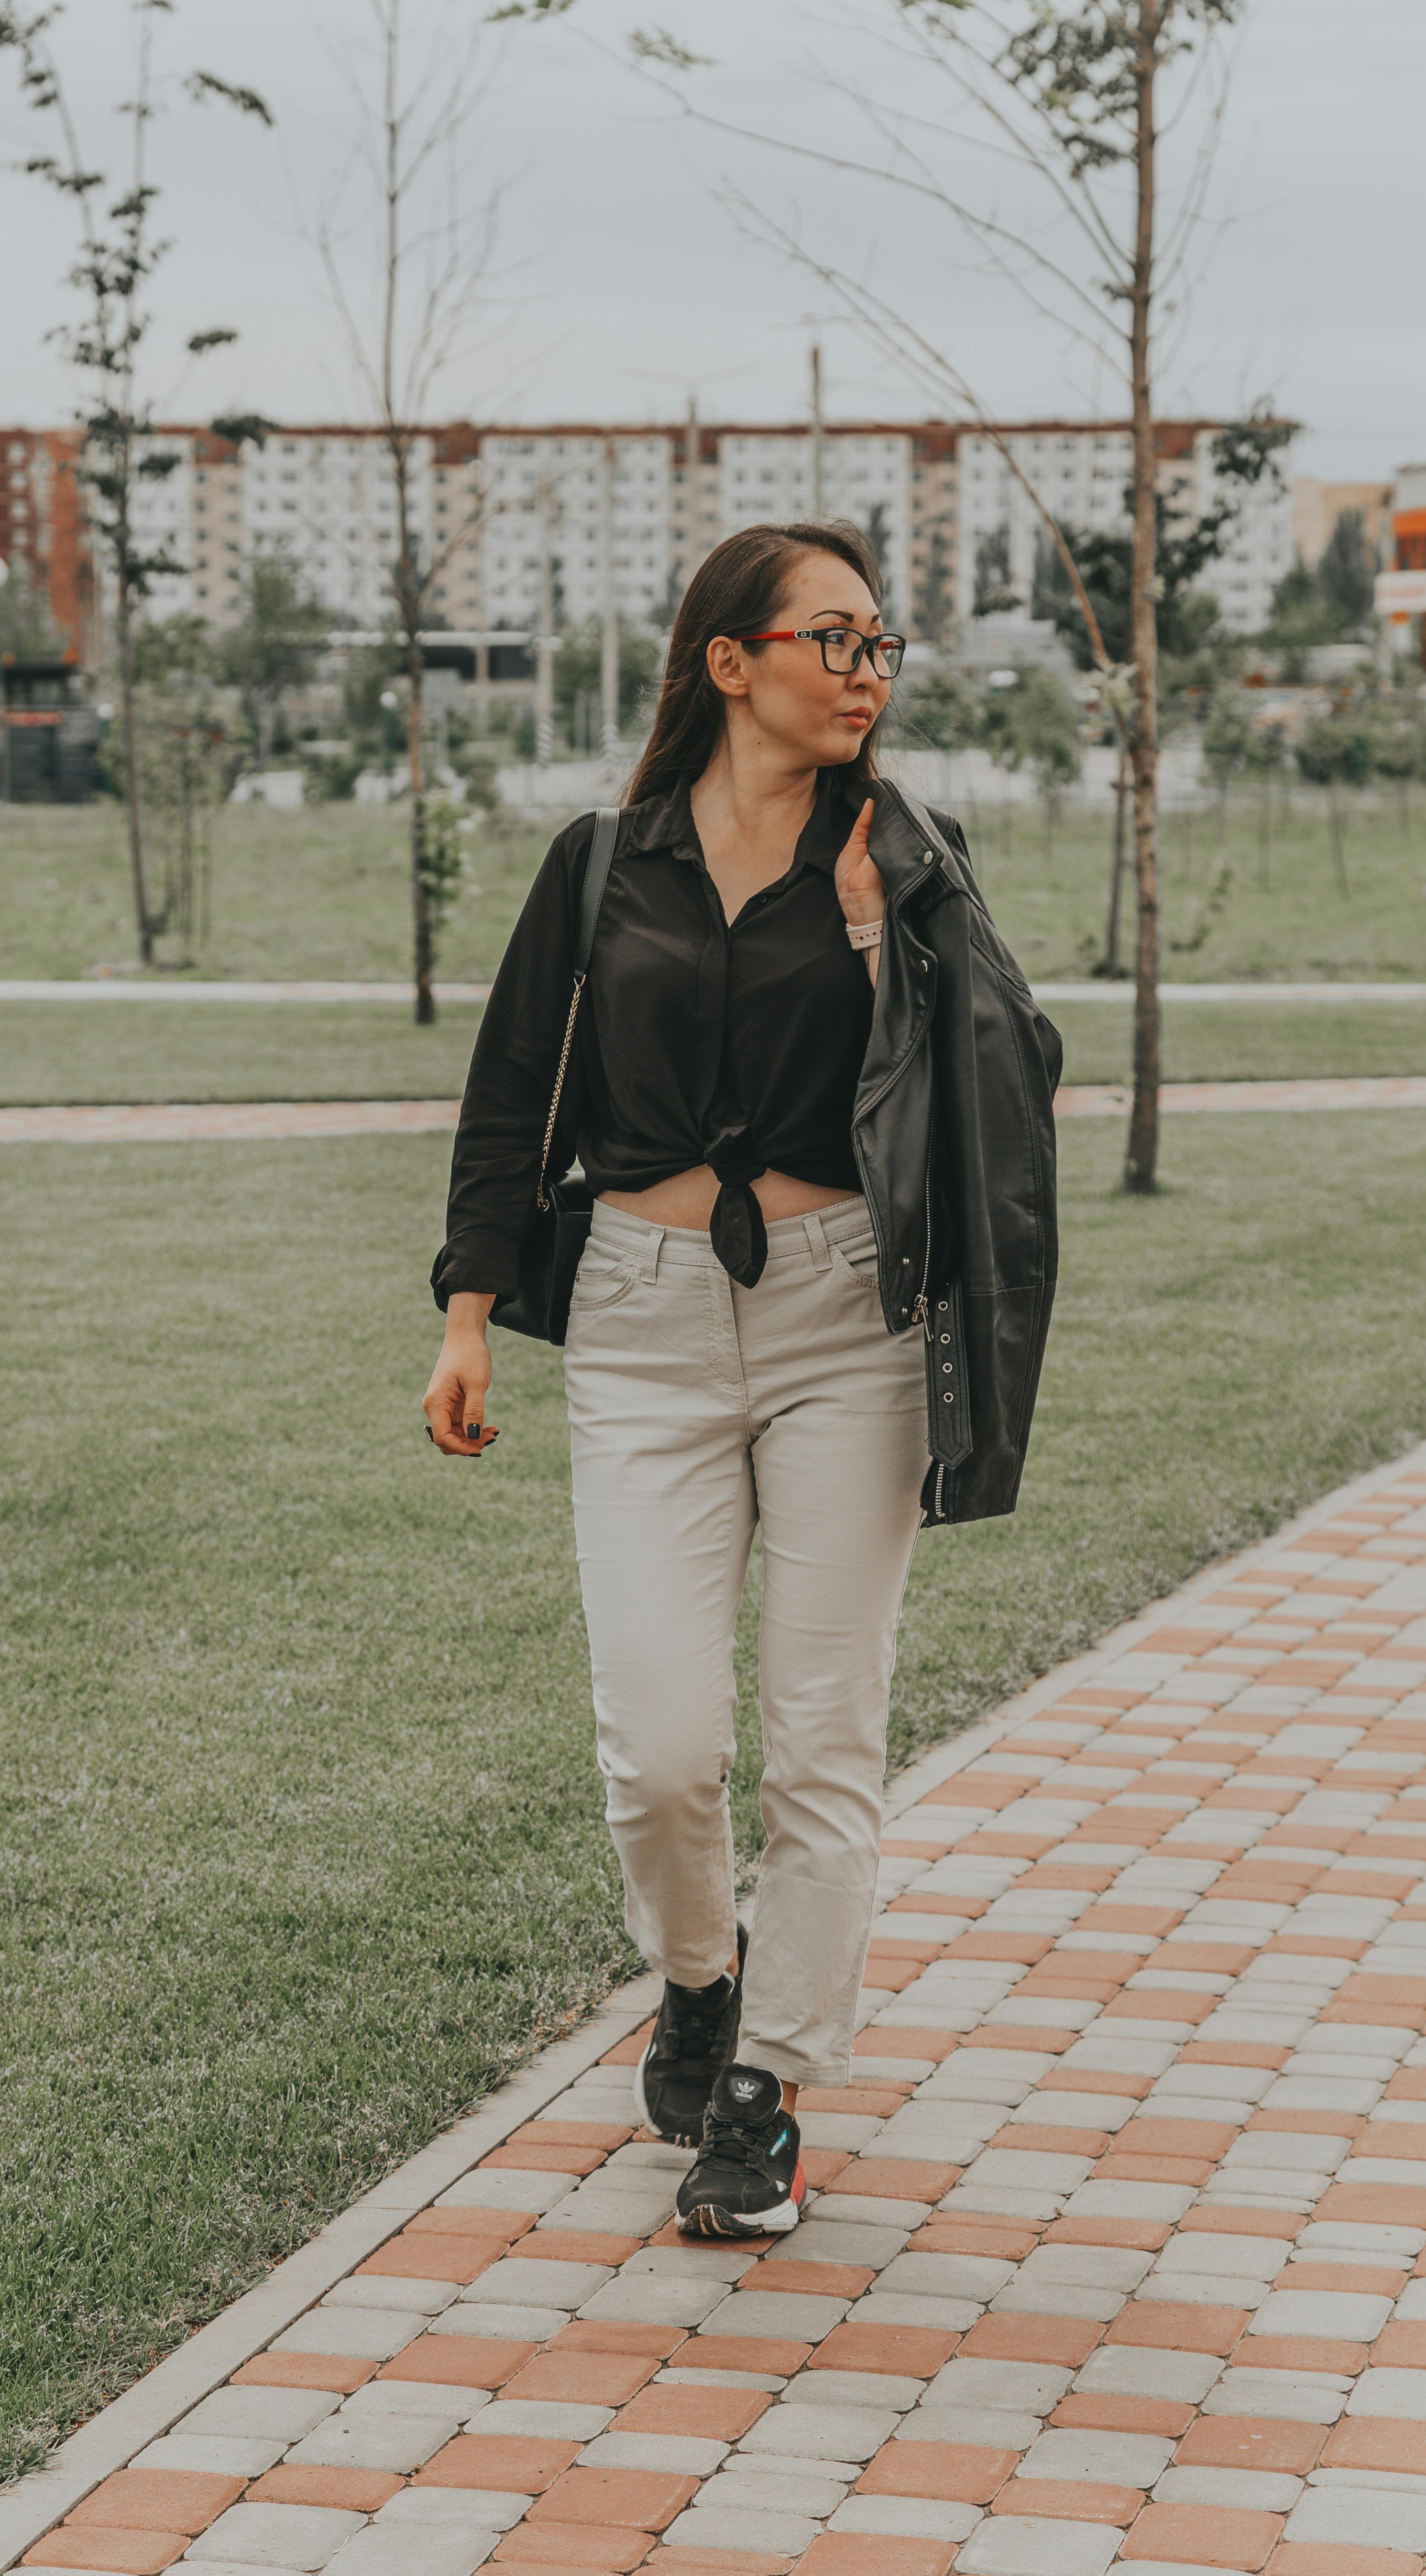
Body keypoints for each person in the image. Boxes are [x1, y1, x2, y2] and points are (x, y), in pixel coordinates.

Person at [424, 520, 1061, 2238]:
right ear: (732, 662)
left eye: (881, 650)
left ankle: (765, 2093)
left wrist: (874, 946)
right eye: (835, 641)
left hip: (847, 1317)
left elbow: (1011, 1067)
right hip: (635, 1314)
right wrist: (472, 1307)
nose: (866, 675)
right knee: (663, 1749)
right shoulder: (599, 860)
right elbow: (510, 1090)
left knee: (824, 1741)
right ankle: (697, 1979)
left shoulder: (906, 858)